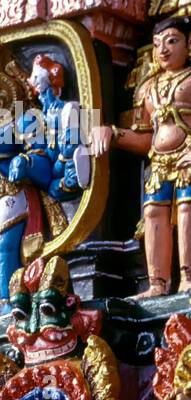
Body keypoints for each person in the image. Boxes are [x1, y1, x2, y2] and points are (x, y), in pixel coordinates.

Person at [91, 17, 191, 297]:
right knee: (152, 213)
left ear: (189, 44)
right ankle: (157, 283)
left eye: (172, 41)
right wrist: (113, 133)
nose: (164, 50)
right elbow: (146, 139)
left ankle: (188, 278)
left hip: (188, 158)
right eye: (158, 44)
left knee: (186, 210)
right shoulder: (148, 89)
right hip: (159, 161)